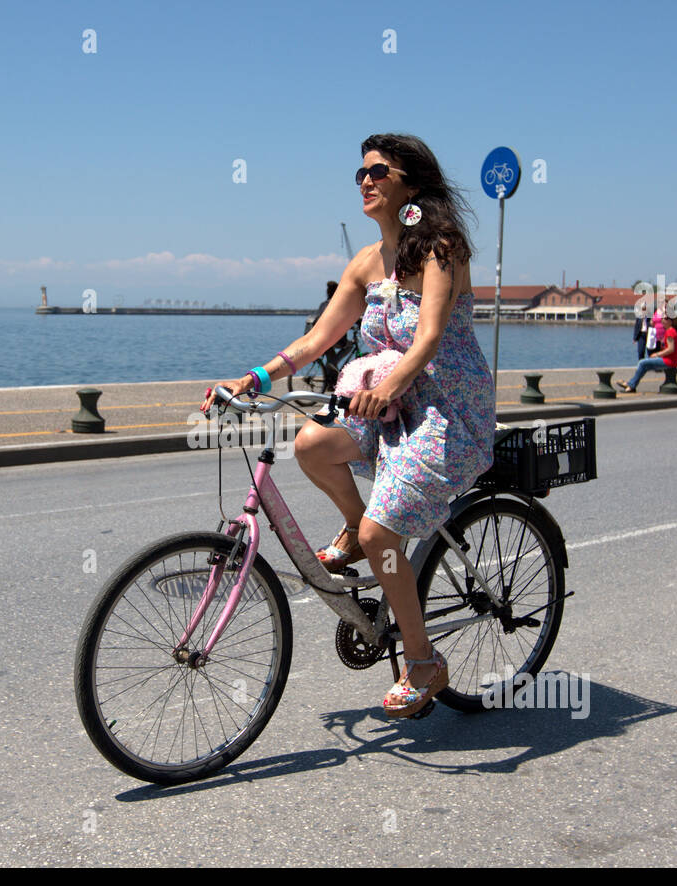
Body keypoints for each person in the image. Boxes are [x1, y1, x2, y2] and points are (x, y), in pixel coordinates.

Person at [201, 133, 494, 719]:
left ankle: (423, 661)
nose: (365, 181)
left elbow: (430, 336)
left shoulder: (441, 246)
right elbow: (316, 340)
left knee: (384, 539)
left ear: (410, 182)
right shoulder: (365, 263)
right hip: (383, 408)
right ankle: (359, 530)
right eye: (360, 173)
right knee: (311, 443)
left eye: (379, 171)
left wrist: (388, 386)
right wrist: (253, 379)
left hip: (443, 411)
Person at [617, 314, 677, 392]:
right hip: (669, 360)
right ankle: (631, 386)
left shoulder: (670, 332)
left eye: (665, 319)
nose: (662, 320)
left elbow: (671, 349)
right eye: (662, 318)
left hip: (669, 361)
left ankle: (631, 385)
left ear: (671, 321)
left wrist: (657, 355)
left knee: (642, 363)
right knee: (644, 366)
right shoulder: (670, 331)